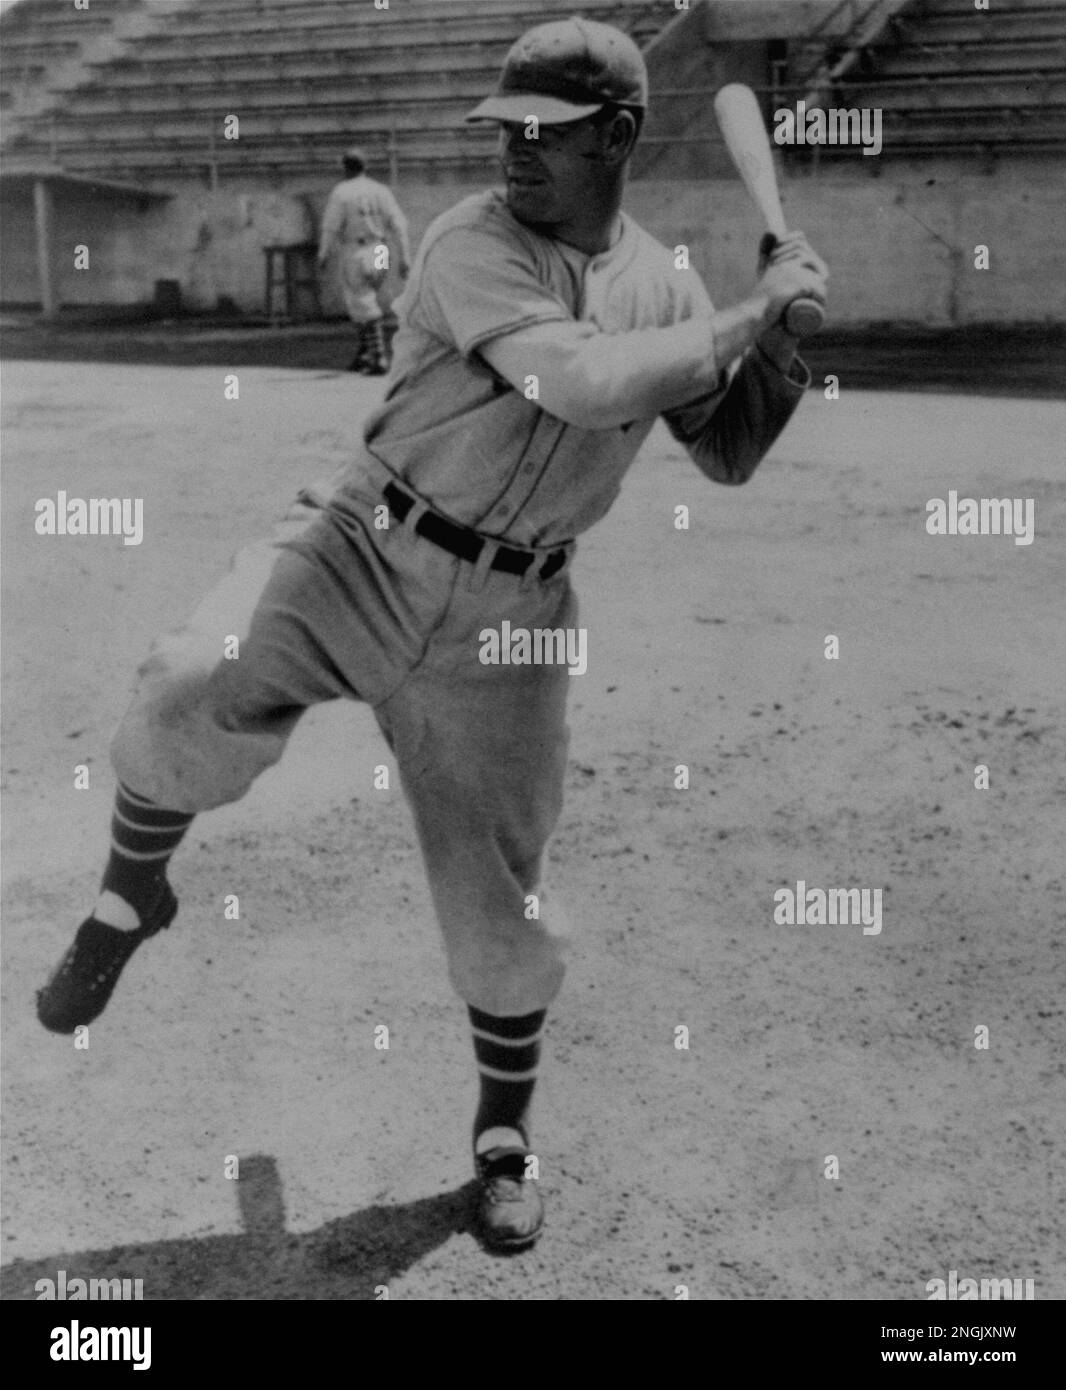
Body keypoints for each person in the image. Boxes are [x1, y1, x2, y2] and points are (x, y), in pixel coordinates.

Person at [36, 17, 828, 1253]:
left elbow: (722, 451)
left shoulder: (666, 288)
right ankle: (133, 900)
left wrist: (777, 347)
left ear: (617, 137)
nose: (512, 150)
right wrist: (747, 311)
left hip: (507, 625)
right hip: (362, 548)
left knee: (506, 918)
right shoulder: (469, 241)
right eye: (503, 126)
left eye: (544, 134)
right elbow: (577, 382)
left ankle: (501, 1142)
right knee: (186, 687)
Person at [318, 147, 411, 373]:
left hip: (357, 249)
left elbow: (331, 226)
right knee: (368, 299)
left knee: (361, 300)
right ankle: (365, 353)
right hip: (379, 248)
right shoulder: (381, 190)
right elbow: (398, 224)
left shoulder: (342, 191)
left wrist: (323, 252)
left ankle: (379, 356)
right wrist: (404, 256)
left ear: (345, 168)